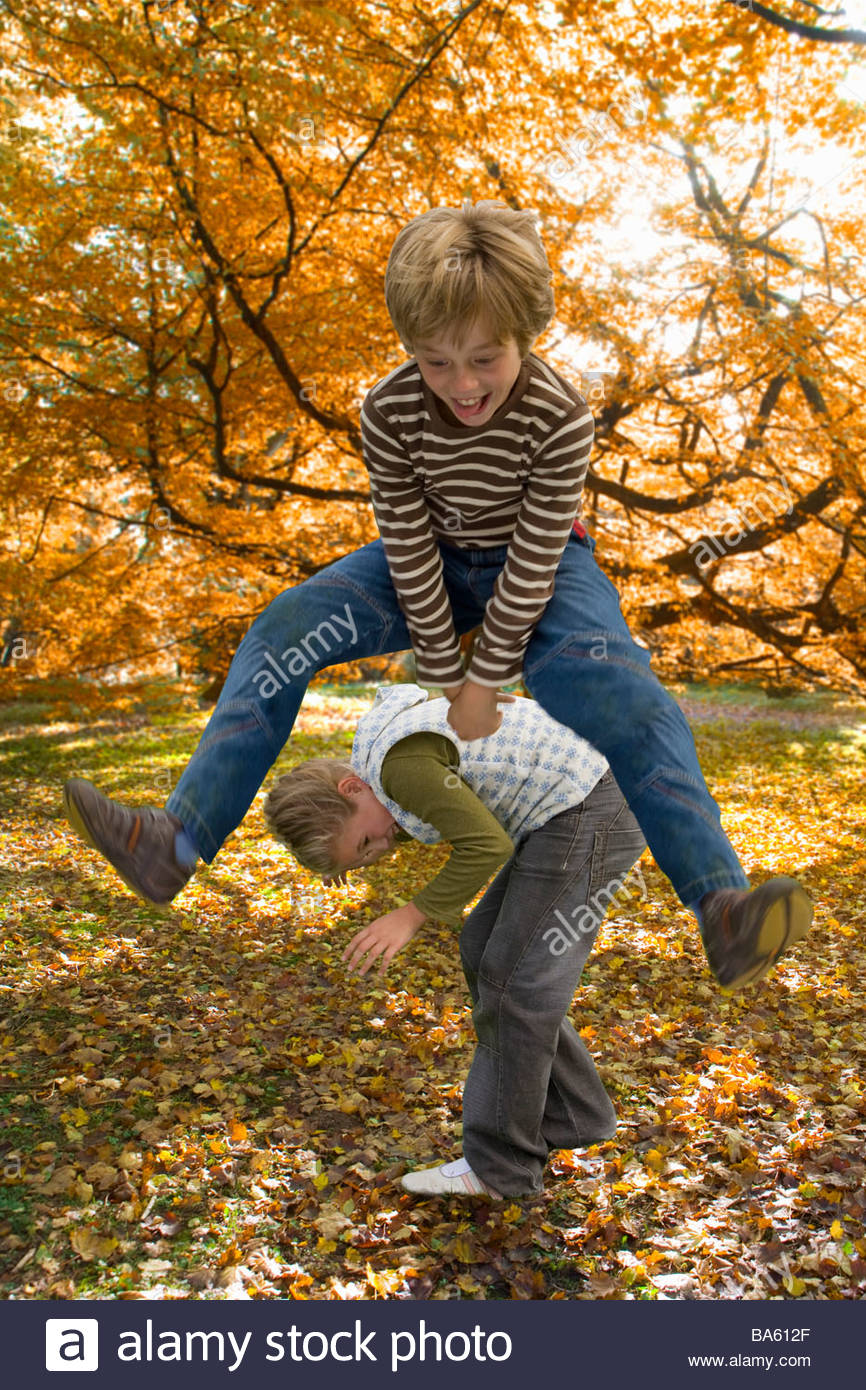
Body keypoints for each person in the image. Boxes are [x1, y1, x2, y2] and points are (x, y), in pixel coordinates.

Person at [62, 198, 813, 992]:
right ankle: (174, 842)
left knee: (619, 692)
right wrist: (446, 674)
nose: (461, 385)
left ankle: (722, 907)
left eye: (485, 359)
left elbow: (531, 557)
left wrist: (485, 682)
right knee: (286, 629)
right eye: (436, 361)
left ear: (525, 335)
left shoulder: (560, 415)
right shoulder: (388, 410)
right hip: (431, 563)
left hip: (545, 567)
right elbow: (410, 543)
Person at [264, 683, 647, 1198]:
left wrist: (412, 914)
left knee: (518, 989)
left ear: (350, 789)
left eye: (364, 842)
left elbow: (485, 843)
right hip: (574, 804)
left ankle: (500, 1170)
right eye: (364, 859)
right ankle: (574, 1113)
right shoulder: (373, 754)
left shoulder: (400, 772)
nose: (382, 849)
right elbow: (411, 689)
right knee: (483, 950)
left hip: (597, 804)